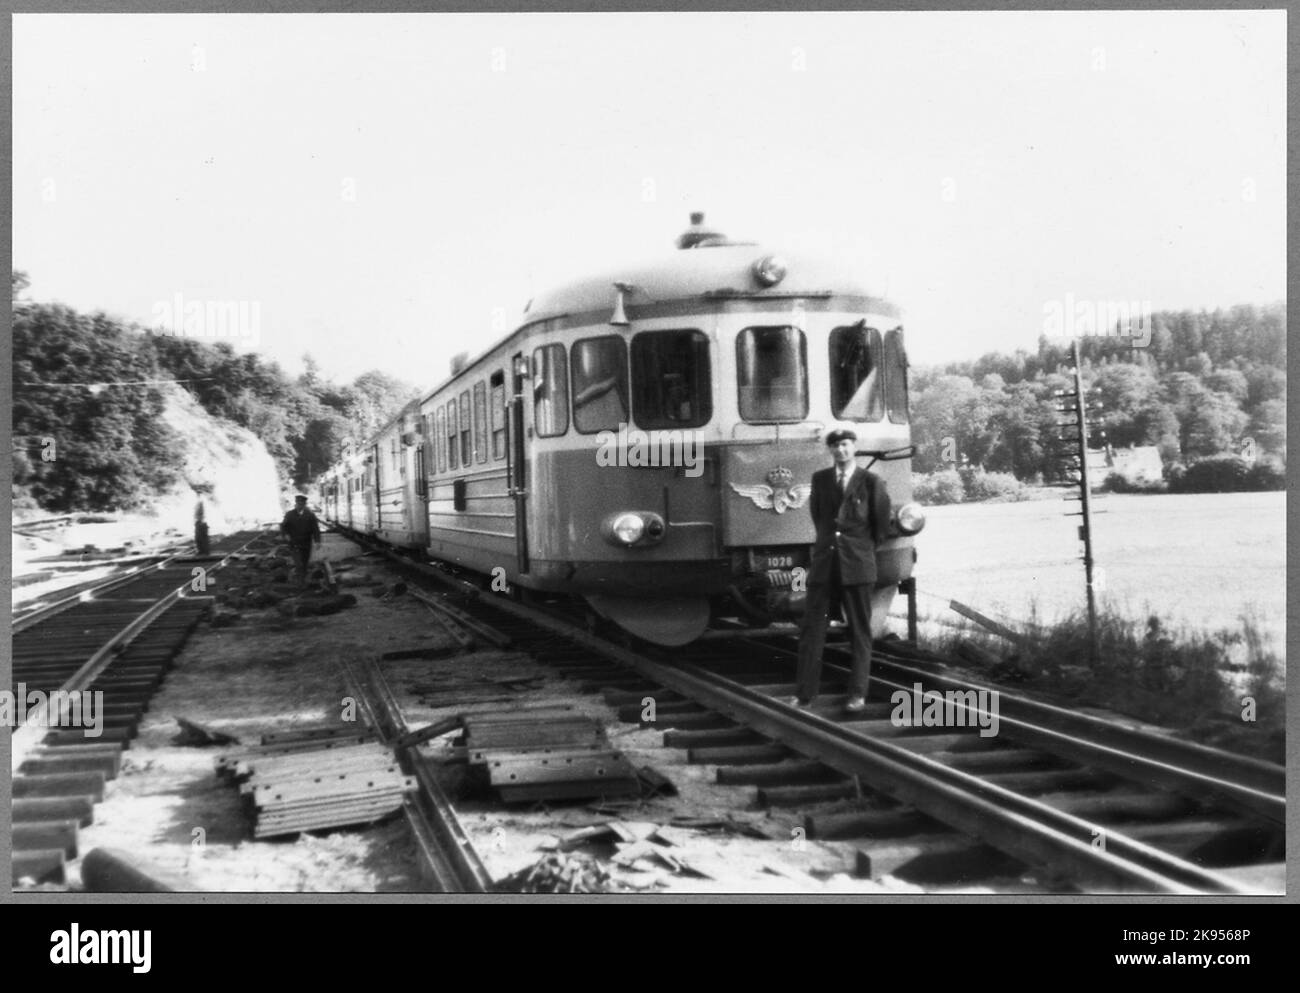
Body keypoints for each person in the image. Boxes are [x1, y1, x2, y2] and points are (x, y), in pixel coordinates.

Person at [788, 429, 891, 713]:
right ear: (831, 450)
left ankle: (857, 695)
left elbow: (880, 528)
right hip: (824, 568)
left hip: (857, 568)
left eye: (845, 445)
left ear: (854, 447)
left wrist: (857, 551)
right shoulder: (820, 480)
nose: (840, 451)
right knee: (812, 631)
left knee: (860, 632)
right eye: (835, 446)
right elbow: (819, 518)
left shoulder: (871, 482)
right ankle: (804, 695)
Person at [280, 495, 322, 586]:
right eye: (298, 503)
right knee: (299, 564)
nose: (300, 505)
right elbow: (283, 526)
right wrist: (286, 535)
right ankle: (301, 582)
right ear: (296, 504)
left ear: (304, 504)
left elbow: (315, 529)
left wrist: (317, 541)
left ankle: (303, 579)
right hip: (294, 543)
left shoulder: (310, 515)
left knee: (305, 563)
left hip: (306, 543)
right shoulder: (289, 514)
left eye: (302, 504)